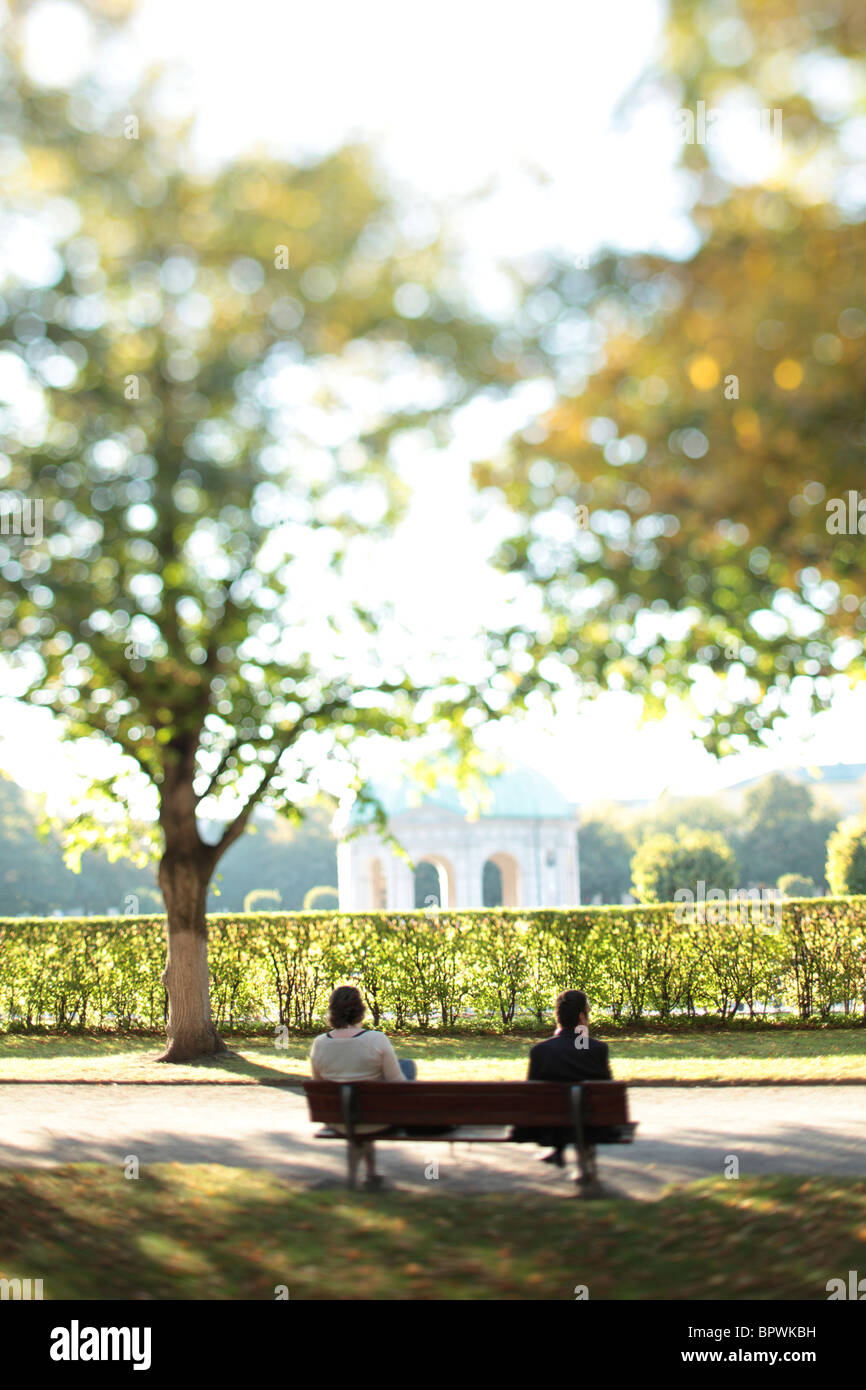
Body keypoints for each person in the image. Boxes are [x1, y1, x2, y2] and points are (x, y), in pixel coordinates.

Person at [309, 984, 412, 1189]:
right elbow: (399, 1085)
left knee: (358, 1100)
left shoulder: (319, 1043)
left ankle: (370, 1173)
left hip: (339, 1119)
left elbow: (319, 1085)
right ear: (361, 1010)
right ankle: (369, 1174)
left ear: (332, 1012)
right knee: (407, 1066)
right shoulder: (376, 1039)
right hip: (377, 1119)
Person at [512, 988, 612, 1170]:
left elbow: (533, 1098)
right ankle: (585, 1165)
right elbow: (607, 1094)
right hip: (594, 1127)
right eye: (588, 1013)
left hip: (548, 1129)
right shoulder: (597, 1050)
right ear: (582, 1017)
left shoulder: (540, 1051)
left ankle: (558, 1151)